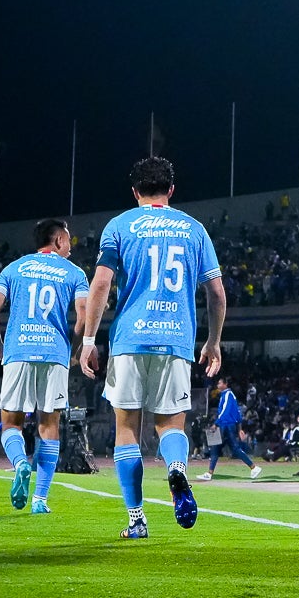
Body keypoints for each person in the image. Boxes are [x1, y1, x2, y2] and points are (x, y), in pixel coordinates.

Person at [77, 155, 227, 539]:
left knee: (127, 429)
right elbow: (216, 293)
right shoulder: (194, 229)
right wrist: (212, 342)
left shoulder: (120, 226)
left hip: (129, 339)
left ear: (134, 191)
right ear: (172, 190)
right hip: (175, 340)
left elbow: (101, 286)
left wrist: (89, 340)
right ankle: (176, 467)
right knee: (170, 424)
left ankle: (137, 519)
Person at [0, 217, 91, 512]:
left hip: (18, 352)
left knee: (11, 423)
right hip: (54, 354)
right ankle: (40, 500)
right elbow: (83, 316)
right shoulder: (75, 273)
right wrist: (74, 347)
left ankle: (20, 463)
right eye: (68, 239)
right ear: (58, 241)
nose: (71, 245)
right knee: (49, 427)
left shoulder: (13, 268)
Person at [199, 376, 261, 479]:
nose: (218, 385)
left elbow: (225, 411)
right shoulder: (229, 395)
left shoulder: (227, 395)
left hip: (226, 425)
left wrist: (216, 423)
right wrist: (240, 428)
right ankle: (253, 467)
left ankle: (209, 473)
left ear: (225, 384)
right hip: (229, 425)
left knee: (217, 447)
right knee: (230, 448)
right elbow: (237, 413)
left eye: (219, 383)